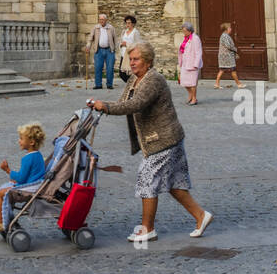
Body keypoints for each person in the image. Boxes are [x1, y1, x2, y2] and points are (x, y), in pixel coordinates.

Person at [89, 41, 214, 242]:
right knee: (174, 183)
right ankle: (201, 216)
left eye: (136, 59)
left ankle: (147, 228)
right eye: (130, 59)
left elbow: (135, 105)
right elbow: (123, 102)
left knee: (146, 180)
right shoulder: (134, 80)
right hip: (165, 139)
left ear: (148, 61)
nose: (132, 63)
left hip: (163, 140)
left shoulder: (154, 80)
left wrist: (106, 107)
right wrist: (102, 105)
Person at [0, 122, 47, 233]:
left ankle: (1, 222)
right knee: (9, 185)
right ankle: (6, 218)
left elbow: (21, 179)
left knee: (1, 193)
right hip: (37, 184)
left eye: (21, 138)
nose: (19, 141)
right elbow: (28, 175)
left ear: (31, 142)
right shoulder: (38, 155)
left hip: (31, 188)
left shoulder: (27, 159)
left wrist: (7, 170)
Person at [87, 13, 117, 90]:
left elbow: (115, 39)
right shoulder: (95, 28)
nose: (101, 21)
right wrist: (88, 47)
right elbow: (90, 38)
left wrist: (114, 49)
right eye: (100, 19)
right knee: (98, 68)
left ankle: (109, 84)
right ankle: (98, 84)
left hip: (109, 50)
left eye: (103, 19)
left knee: (110, 68)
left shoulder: (111, 28)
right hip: (98, 50)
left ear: (106, 20)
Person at [177, 22, 203, 105]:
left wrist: (196, 64)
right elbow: (182, 50)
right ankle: (190, 95)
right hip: (185, 63)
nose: (184, 33)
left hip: (192, 64)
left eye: (185, 31)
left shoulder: (195, 38)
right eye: (183, 31)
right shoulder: (186, 38)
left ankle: (194, 99)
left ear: (190, 30)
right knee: (183, 82)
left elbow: (198, 52)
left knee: (192, 83)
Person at [214, 21, 242, 89]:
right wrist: (235, 49)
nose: (231, 29)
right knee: (232, 69)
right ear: (226, 29)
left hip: (225, 56)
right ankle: (238, 84)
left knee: (222, 69)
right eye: (230, 28)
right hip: (226, 56)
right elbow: (228, 46)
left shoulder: (225, 35)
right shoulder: (225, 36)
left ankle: (217, 83)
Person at [118, 15, 142, 81]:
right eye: (126, 23)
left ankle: (131, 85)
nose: (127, 24)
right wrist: (121, 44)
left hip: (131, 54)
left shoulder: (135, 32)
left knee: (130, 72)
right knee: (121, 73)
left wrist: (127, 44)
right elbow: (120, 42)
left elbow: (137, 44)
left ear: (133, 24)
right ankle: (129, 83)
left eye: (129, 23)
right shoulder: (124, 32)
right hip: (123, 54)